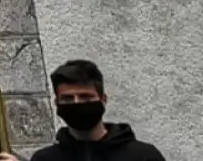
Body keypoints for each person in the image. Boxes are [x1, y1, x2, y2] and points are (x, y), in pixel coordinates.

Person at [27, 61, 164, 161]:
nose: (77, 103)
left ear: (103, 99)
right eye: (68, 99)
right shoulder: (45, 159)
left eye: (85, 97)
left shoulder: (143, 156)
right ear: (56, 103)